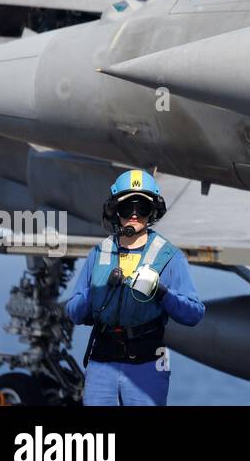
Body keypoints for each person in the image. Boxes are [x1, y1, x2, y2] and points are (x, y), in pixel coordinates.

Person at [65, 169, 204, 405]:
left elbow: (194, 313)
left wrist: (161, 292)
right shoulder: (99, 254)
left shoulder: (169, 256)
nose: (134, 215)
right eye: (127, 206)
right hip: (102, 365)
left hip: (147, 365)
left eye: (143, 208)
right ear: (115, 210)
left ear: (153, 212)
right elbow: (74, 311)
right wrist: (98, 289)